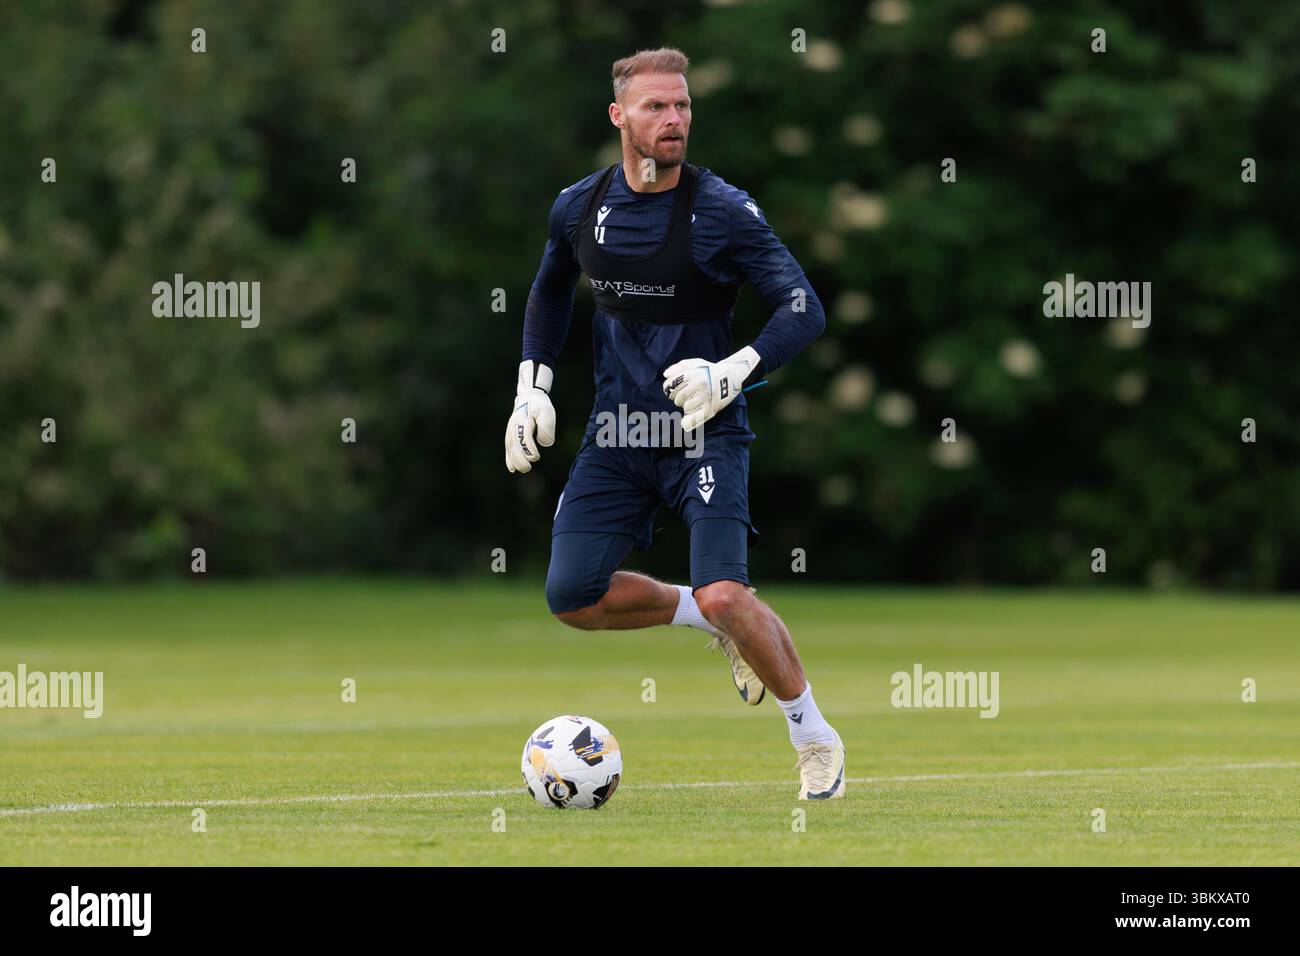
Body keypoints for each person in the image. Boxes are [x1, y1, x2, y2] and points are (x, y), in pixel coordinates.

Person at [505, 48, 843, 799]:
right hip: (618, 434)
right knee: (572, 597)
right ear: (619, 116)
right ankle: (705, 620)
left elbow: (803, 308)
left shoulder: (720, 208)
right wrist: (533, 388)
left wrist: (733, 369)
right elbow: (549, 291)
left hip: (703, 434)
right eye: (656, 107)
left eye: (683, 105)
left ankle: (814, 735)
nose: (675, 120)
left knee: (730, 591)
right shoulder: (578, 207)